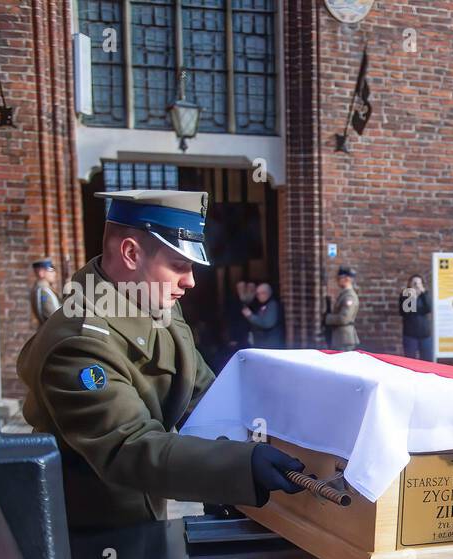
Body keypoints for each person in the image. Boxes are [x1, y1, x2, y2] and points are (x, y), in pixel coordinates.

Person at [16, 189, 305, 531]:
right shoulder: (78, 342)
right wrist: (242, 465)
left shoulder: (154, 303)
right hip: (91, 538)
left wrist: (277, 425)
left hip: (140, 520)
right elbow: (129, 446)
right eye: (179, 265)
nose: (191, 281)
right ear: (130, 253)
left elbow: (202, 395)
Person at [323, 267, 360, 351]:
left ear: (347, 279)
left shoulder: (349, 296)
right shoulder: (344, 294)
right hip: (340, 338)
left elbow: (344, 318)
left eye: (339, 278)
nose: (338, 280)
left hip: (344, 339)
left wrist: (327, 318)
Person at [399, 273, 433, 361]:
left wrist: (423, 293)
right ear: (409, 284)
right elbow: (406, 312)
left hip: (425, 334)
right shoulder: (405, 295)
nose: (417, 285)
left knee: (427, 360)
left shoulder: (425, 295)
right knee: (410, 360)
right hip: (410, 334)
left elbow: (429, 309)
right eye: (414, 283)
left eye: (419, 283)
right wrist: (412, 294)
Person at [245, 282, 285, 348]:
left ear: (268, 293)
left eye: (262, 293)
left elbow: (268, 323)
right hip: (263, 344)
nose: (259, 296)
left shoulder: (272, 305)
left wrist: (250, 316)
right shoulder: (263, 305)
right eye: (257, 294)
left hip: (271, 345)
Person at [30, 258, 61, 325]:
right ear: (41, 273)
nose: (54, 273)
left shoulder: (44, 289)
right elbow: (53, 317)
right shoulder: (43, 291)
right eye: (51, 270)